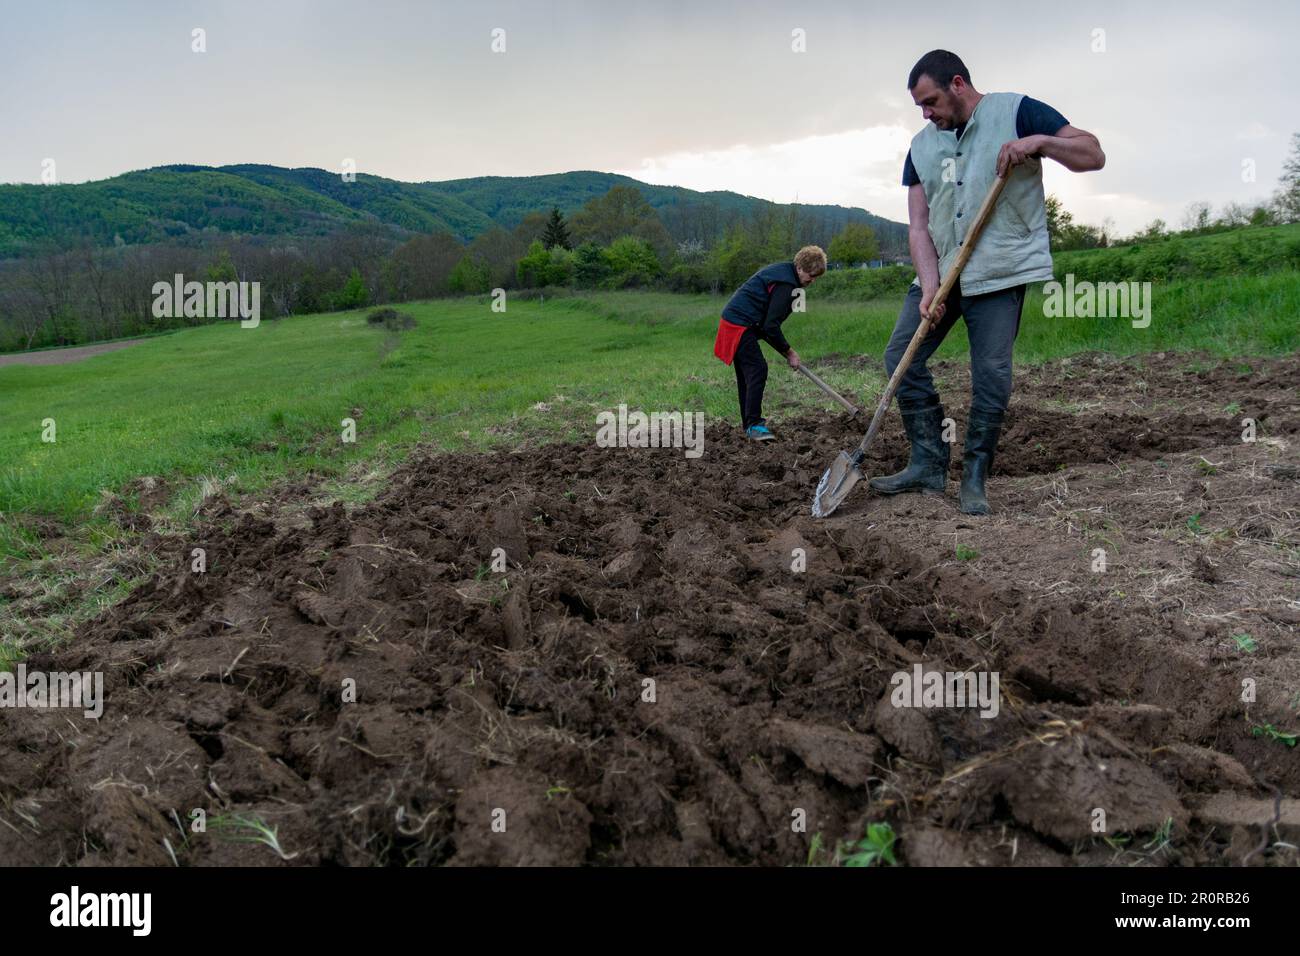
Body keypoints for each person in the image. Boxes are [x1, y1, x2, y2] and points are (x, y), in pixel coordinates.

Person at [872, 49, 1104, 512]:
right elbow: (918, 225)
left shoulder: (1017, 112)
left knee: (991, 375)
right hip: (941, 271)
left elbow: (1092, 154)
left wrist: (1037, 142)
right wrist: (930, 284)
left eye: (931, 101)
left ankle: (974, 478)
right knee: (902, 356)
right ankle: (928, 463)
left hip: (1000, 270)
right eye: (919, 106)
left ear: (958, 83)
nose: (926, 113)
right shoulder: (920, 146)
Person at [714, 245, 827, 441]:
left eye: (816, 276)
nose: (813, 280)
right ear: (800, 267)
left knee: (748, 375)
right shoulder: (787, 284)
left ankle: (749, 425)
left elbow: (767, 325)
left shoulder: (786, 275)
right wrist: (789, 352)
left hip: (738, 322)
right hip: (738, 324)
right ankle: (754, 425)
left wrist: (784, 348)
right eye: (811, 274)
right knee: (757, 369)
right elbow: (770, 326)